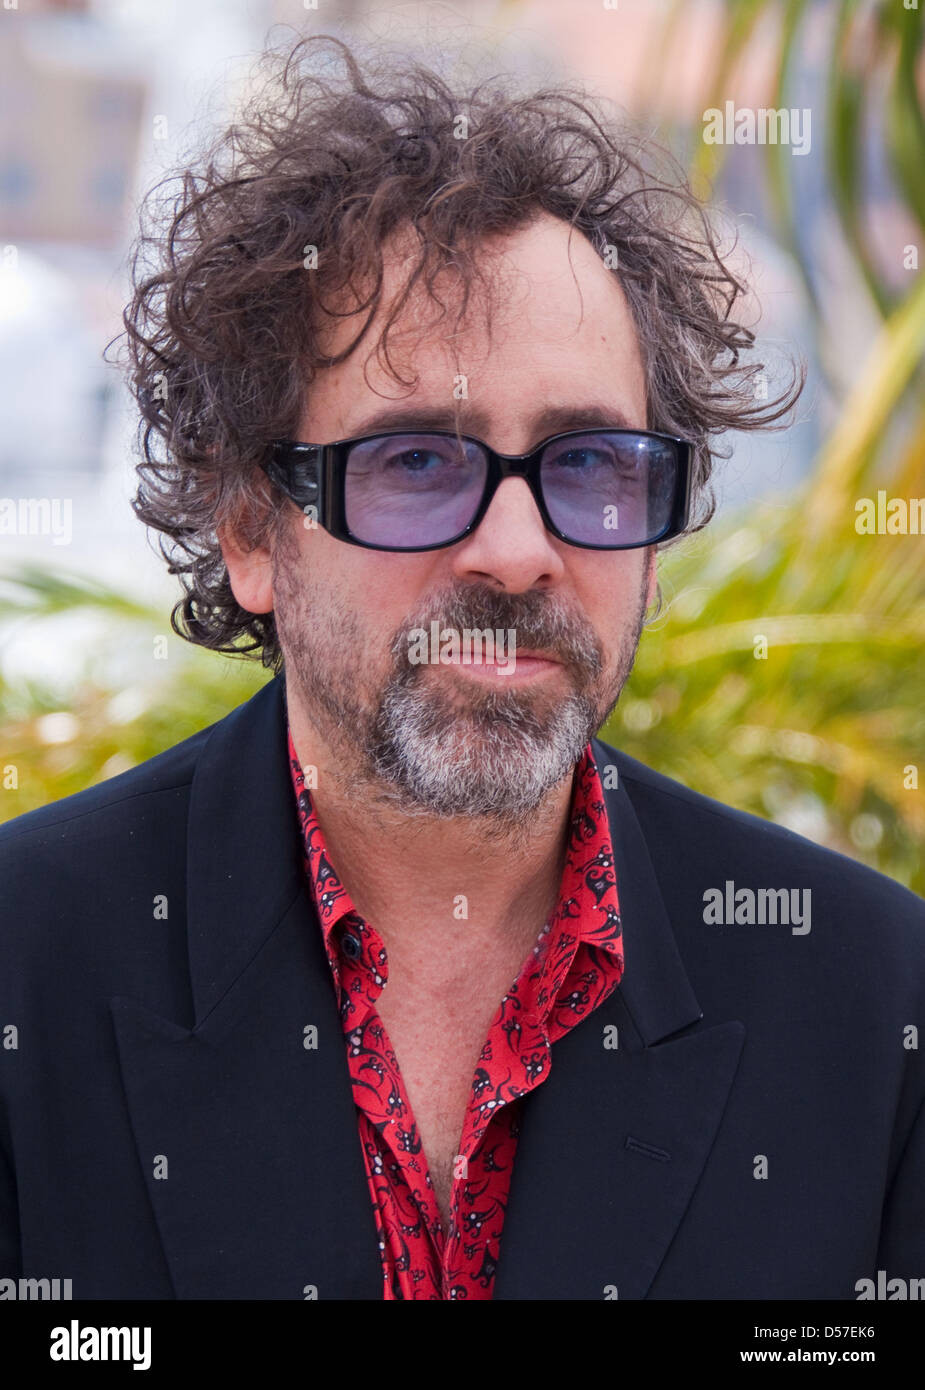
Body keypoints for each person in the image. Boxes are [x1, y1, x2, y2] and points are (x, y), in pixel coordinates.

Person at [1, 34, 922, 1303]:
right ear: (251, 529)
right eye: (417, 462)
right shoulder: (28, 966)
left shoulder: (870, 997)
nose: (514, 550)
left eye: (589, 463)